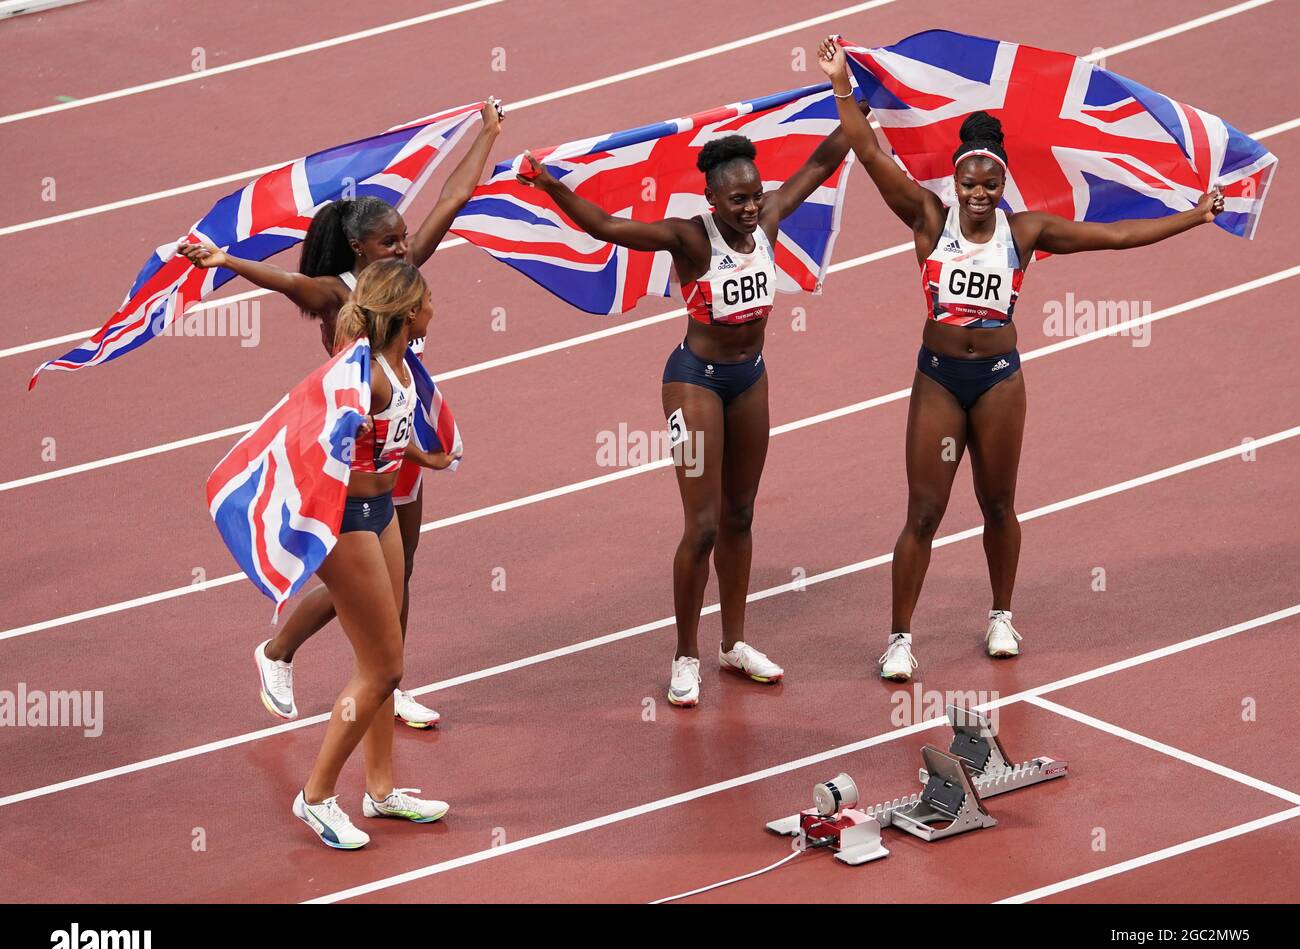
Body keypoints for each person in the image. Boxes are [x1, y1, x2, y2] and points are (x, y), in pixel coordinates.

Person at [817, 37, 1224, 681]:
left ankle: (1001, 614)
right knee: (924, 511)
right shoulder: (927, 219)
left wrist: (1194, 217)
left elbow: (1116, 237)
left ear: (1003, 183)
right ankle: (900, 637)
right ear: (955, 182)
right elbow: (868, 150)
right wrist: (843, 82)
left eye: (989, 184)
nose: (978, 194)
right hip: (939, 380)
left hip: (999, 381)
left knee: (998, 502)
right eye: (969, 184)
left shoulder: (1025, 231)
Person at [179, 99, 503, 725]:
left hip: (402, 420)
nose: (403, 248)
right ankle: (278, 650)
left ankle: (393, 679)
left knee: (402, 566)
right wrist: (224, 263)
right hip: (354, 442)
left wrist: (486, 134)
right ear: (357, 245)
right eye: (389, 240)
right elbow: (282, 283)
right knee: (365, 577)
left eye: (404, 239)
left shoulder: (402, 273)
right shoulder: (336, 292)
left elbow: (450, 202)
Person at [516, 119, 855, 707]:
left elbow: (824, 161)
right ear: (712, 200)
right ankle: (685, 654)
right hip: (695, 382)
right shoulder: (690, 239)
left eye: (755, 195)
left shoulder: (769, 220)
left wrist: (856, 94)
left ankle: (735, 644)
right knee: (701, 527)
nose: (751, 208)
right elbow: (605, 226)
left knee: (741, 515)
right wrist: (549, 183)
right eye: (737, 200)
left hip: (750, 380)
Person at [291, 259, 457, 848]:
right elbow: (316, 430)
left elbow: (391, 431)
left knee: (387, 663)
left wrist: (424, 457)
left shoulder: (399, 364)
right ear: (410, 311)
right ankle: (315, 797)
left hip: (382, 512)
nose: (436, 305)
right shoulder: (364, 375)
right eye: (429, 298)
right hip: (348, 522)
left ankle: (381, 790)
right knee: (383, 667)